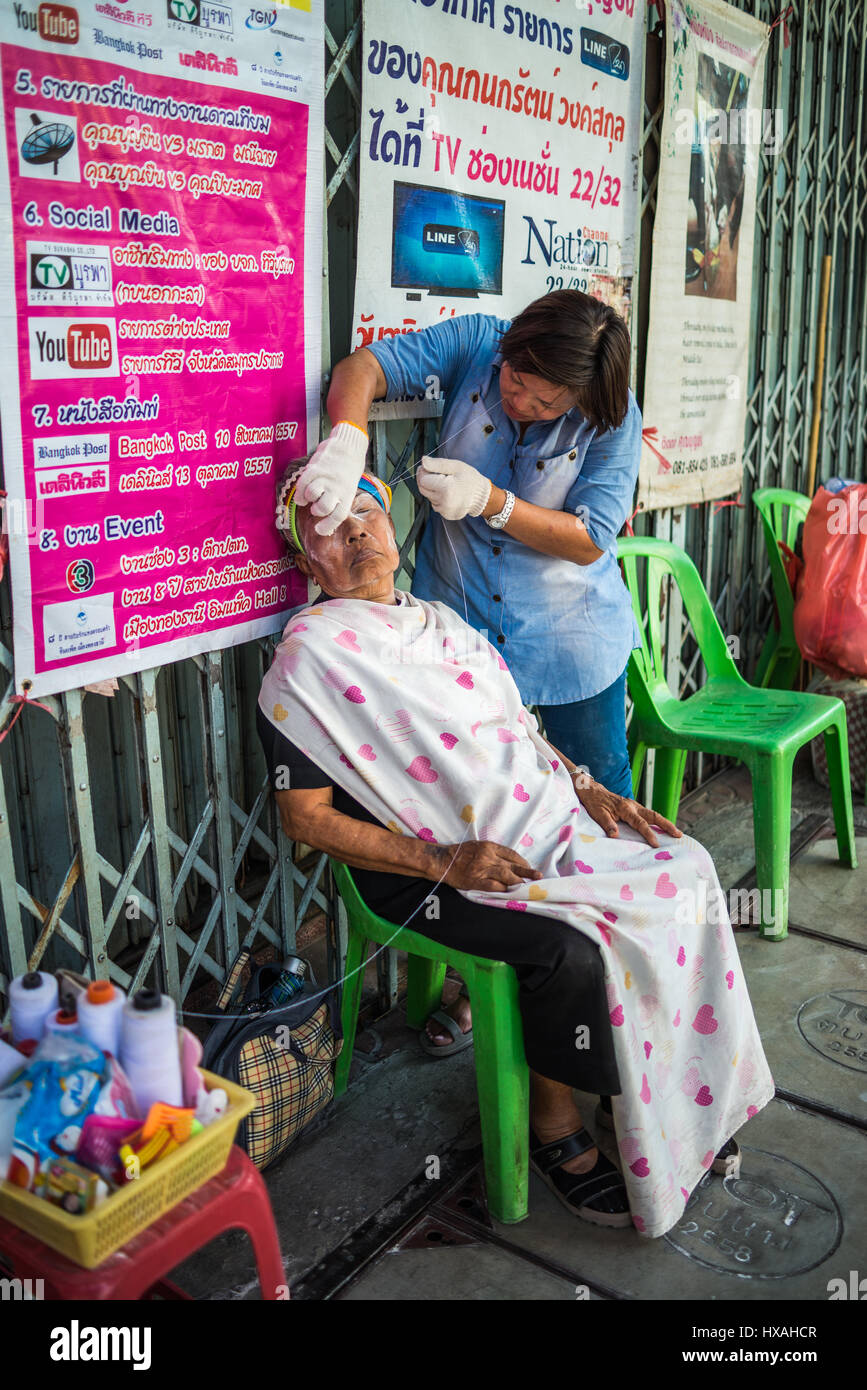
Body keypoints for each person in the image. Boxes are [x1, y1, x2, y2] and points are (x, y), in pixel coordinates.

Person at [256, 462, 775, 1239]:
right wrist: (443, 862)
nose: (358, 532)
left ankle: (658, 1087)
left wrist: (587, 787)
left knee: (687, 869)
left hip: (546, 816)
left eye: (367, 512)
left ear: (394, 525)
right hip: (423, 869)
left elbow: (518, 731)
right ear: (307, 562)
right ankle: (553, 1124)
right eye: (330, 528)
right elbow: (304, 819)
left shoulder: (442, 623)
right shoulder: (308, 663)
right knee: (570, 949)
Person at [295, 290, 643, 1052]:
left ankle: (603, 987)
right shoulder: (480, 345)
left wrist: (491, 502)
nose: (516, 398)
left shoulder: (610, 420)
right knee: (476, 812)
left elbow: (590, 538)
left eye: (542, 398)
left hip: (569, 643)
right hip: (462, 643)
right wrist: (346, 439)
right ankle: (473, 984)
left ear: (580, 396)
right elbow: (363, 367)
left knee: (593, 814)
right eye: (513, 380)